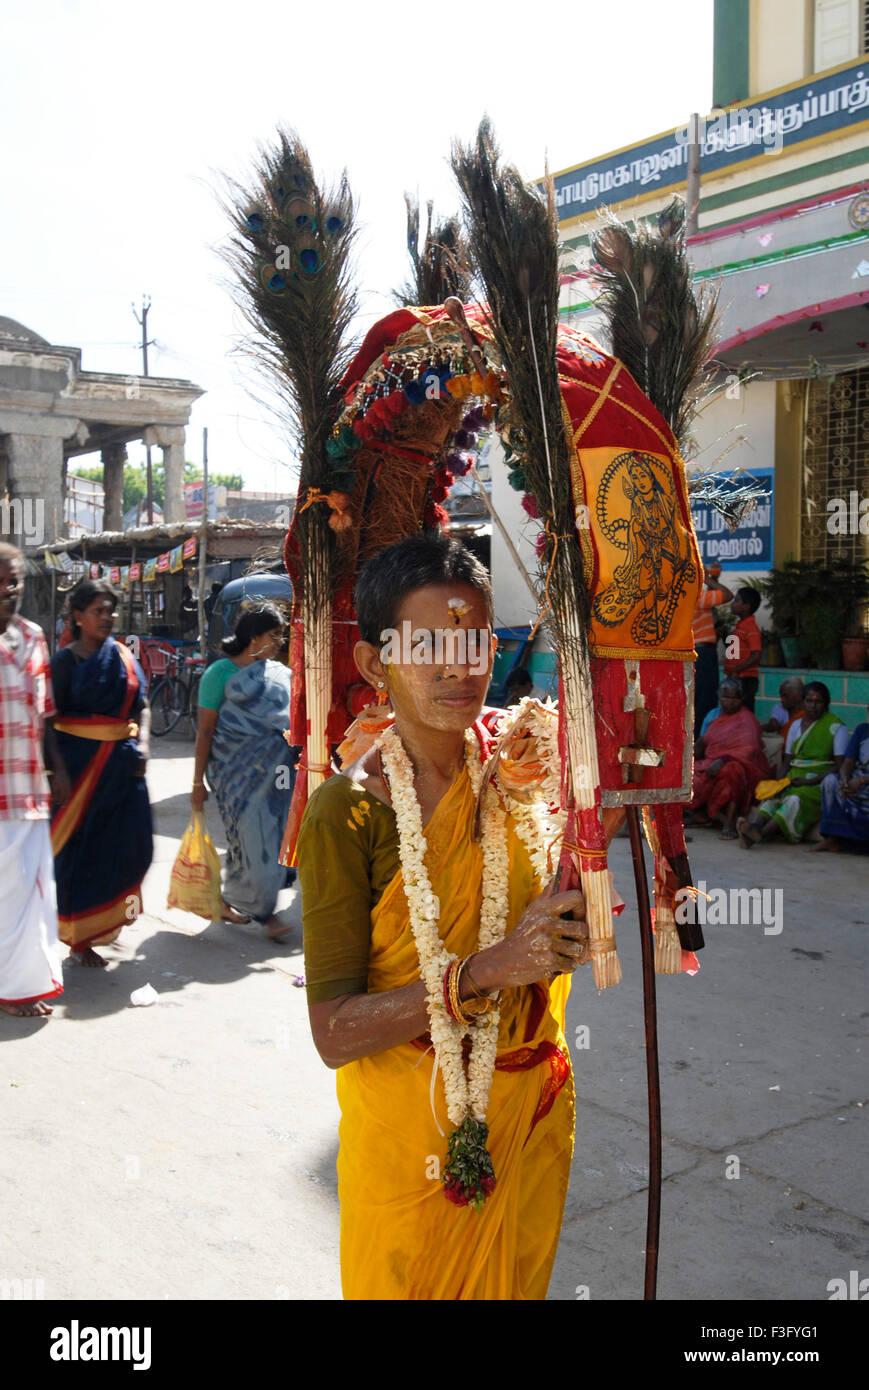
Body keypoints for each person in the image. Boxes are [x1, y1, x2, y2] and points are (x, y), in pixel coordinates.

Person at [297, 532, 588, 1300]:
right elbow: (333, 1033)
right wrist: (488, 971)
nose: (459, 665)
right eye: (428, 643)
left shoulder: (519, 767)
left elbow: (549, 906)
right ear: (372, 664)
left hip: (527, 1112)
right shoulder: (348, 811)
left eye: (474, 640)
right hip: (408, 1132)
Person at [50, 579, 153, 967]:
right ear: (77, 616)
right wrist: (57, 770)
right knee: (84, 855)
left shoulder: (124, 657)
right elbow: (48, 719)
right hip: (78, 773)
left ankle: (108, 923)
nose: (108, 618)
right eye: (98, 610)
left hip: (123, 770)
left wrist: (142, 744)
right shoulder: (64, 662)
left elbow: (141, 705)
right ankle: (81, 939)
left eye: (111, 610)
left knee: (133, 849)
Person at [191, 603, 295, 937]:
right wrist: (196, 782)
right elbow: (205, 731)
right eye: (274, 634)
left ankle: (226, 898)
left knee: (261, 840)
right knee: (253, 837)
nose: (280, 641)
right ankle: (267, 914)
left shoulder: (278, 674)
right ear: (254, 637)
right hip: (232, 773)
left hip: (276, 773)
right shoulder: (219, 673)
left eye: (282, 634)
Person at [0, 543, 70, 1016]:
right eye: (2, 580)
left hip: (28, 790)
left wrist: (59, 769)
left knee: (27, 890)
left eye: (15, 580)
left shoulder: (34, 636)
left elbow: (43, 715)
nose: (10, 589)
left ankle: (18, 986)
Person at [737, 681, 848, 848]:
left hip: (816, 783)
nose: (813, 706)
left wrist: (811, 780)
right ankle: (755, 827)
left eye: (818, 702)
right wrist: (778, 783)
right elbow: (787, 760)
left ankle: (758, 835)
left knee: (794, 800)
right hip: (794, 777)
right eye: (809, 701)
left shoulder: (836, 727)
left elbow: (840, 766)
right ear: (803, 702)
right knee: (772, 798)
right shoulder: (795, 725)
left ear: (826, 704)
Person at [686, 677, 769, 839]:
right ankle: (701, 815)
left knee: (732, 771)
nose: (730, 702)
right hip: (711, 762)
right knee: (688, 773)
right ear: (718, 696)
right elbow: (703, 743)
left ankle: (729, 823)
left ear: (742, 699)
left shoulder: (747, 720)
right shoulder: (715, 717)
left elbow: (749, 750)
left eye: (735, 698)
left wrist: (723, 760)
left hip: (740, 766)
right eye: (726, 697)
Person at [815, 705, 869, 852]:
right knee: (831, 781)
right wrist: (845, 780)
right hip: (856, 787)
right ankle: (832, 838)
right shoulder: (862, 730)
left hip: (862, 784)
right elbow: (848, 762)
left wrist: (861, 781)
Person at [692, 561, 732, 730]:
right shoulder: (697, 597)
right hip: (705, 655)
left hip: (693, 654)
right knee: (706, 700)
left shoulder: (676, 598)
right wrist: (708, 579)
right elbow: (727, 595)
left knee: (696, 699)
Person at [723, 586, 763, 712]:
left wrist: (736, 670)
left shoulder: (751, 628)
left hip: (746, 679)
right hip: (735, 677)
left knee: (744, 711)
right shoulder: (739, 626)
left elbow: (756, 655)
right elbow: (733, 650)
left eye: (737, 600)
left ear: (746, 606)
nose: (733, 604)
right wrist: (724, 636)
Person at [759, 676, 805, 775]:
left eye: (785, 696)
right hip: (784, 754)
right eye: (781, 696)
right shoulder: (780, 708)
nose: (782, 699)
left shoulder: (808, 710)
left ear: (798, 695)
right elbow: (773, 725)